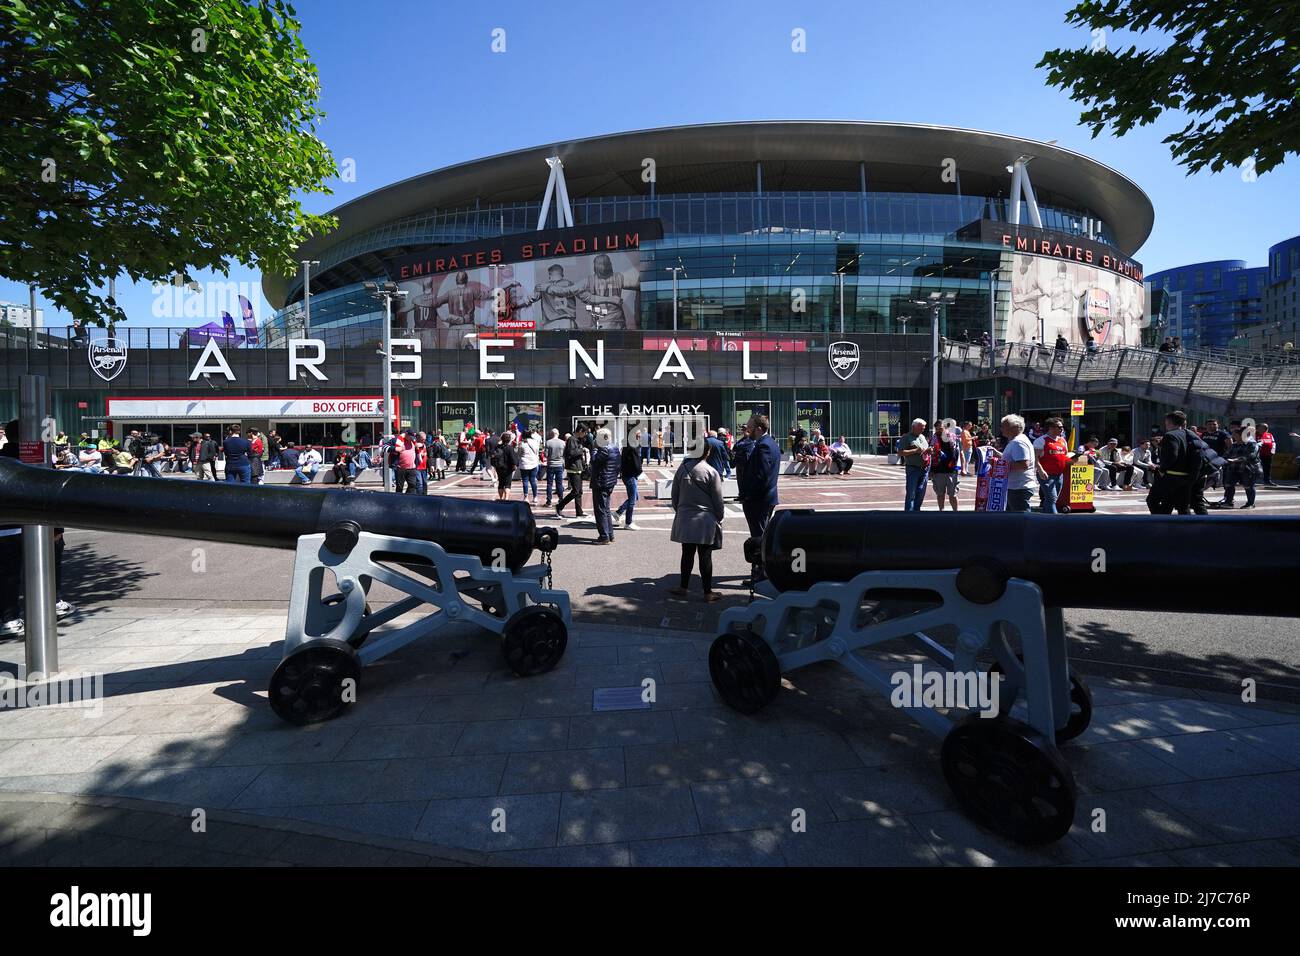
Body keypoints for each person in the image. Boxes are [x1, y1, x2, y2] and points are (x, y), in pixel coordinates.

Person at [669, 443, 725, 602]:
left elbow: (675, 497)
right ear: (707, 452)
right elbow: (718, 500)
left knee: (686, 554)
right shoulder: (711, 472)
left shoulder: (682, 469)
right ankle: (707, 592)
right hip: (705, 519)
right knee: (705, 556)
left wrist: (681, 510)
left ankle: (683, 587)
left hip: (685, 517)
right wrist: (719, 517)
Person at [737, 414, 779, 585]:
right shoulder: (768, 443)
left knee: (759, 537)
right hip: (764, 498)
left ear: (759, 428)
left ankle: (761, 574)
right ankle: (762, 572)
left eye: (750, 428)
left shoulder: (763, 446)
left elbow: (761, 476)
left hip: (759, 500)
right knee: (762, 535)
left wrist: (748, 494)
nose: (748, 431)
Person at [1147, 410, 1198, 515]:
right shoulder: (1189, 434)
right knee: (1181, 506)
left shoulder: (1170, 435)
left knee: (1152, 500)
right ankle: (1186, 528)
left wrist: (1161, 470)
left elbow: (1172, 456)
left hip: (1170, 476)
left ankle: (1162, 523)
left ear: (1169, 422)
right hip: (1186, 476)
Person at [997, 414, 1038, 513]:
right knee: (1013, 518)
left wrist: (998, 464)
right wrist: (998, 455)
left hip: (1018, 487)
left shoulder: (1018, 442)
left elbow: (1023, 464)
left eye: (1004, 426)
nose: (1001, 428)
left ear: (1015, 427)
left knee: (1021, 519)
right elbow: (1015, 459)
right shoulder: (1018, 440)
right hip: (1017, 486)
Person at [1031, 418, 1070, 513]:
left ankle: (1045, 519)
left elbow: (1065, 456)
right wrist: (1040, 470)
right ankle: (1054, 521)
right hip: (1047, 475)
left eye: (1062, 427)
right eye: (1060, 427)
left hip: (1059, 475)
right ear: (1051, 428)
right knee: (1051, 498)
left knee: (1052, 499)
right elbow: (1035, 458)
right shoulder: (1041, 440)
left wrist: (1073, 459)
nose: (1062, 429)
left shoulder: (1062, 440)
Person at [1217, 424, 1260, 509]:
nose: (1233, 437)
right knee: (1228, 484)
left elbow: (1251, 456)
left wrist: (1236, 459)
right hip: (1233, 468)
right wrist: (1219, 460)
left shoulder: (1252, 444)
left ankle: (1250, 503)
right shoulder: (1235, 445)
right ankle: (1228, 502)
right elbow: (1226, 454)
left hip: (1248, 469)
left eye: (1235, 436)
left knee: (1248, 486)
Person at [589, 428, 621, 543]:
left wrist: (593, 449)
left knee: (600, 510)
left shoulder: (603, 449)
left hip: (601, 482)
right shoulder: (615, 447)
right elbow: (618, 466)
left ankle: (604, 536)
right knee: (606, 509)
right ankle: (610, 534)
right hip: (610, 481)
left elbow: (594, 461)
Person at [556, 424, 589, 519]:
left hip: (578, 468)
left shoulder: (577, 440)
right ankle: (559, 506)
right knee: (575, 491)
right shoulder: (571, 439)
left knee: (579, 492)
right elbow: (571, 453)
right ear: (580, 431)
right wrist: (581, 450)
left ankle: (579, 512)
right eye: (585, 432)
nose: (585, 434)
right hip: (573, 468)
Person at [612, 433, 643, 531]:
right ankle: (628, 522)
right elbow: (637, 464)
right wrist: (639, 472)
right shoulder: (633, 448)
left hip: (627, 475)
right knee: (632, 500)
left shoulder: (626, 447)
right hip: (631, 475)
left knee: (635, 497)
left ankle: (618, 512)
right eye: (638, 435)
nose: (640, 437)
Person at [898, 418, 930, 512]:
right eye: (920, 428)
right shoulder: (906, 437)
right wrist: (915, 450)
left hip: (924, 469)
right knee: (911, 493)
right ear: (913, 427)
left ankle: (917, 512)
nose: (922, 430)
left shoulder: (922, 437)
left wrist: (929, 450)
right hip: (913, 469)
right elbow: (900, 452)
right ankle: (909, 514)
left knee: (921, 492)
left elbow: (925, 450)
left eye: (923, 428)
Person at [929, 422, 960, 511]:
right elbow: (931, 454)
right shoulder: (934, 438)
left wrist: (962, 467)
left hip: (951, 470)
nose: (939, 430)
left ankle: (956, 512)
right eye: (937, 429)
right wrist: (931, 470)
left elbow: (958, 452)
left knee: (953, 494)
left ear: (945, 428)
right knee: (940, 494)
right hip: (938, 471)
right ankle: (941, 511)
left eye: (941, 428)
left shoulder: (952, 436)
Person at [493, 431, 519, 502]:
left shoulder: (497, 447)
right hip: (508, 468)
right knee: (507, 483)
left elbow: (493, 456)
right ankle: (506, 498)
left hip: (499, 467)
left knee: (501, 483)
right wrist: (514, 465)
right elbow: (513, 458)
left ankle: (501, 498)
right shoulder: (510, 448)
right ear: (509, 439)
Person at [516, 428, 541, 505]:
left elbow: (519, 454)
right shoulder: (535, 442)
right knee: (533, 480)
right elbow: (537, 452)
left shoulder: (521, 443)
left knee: (525, 481)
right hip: (533, 463)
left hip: (524, 464)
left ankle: (526, 497)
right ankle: (535, 497)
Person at [544, 428, 566, 508]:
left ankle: (549, 501)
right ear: (558, 434)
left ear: (551, 434)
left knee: (549, 484)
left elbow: (546, 455)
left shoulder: (548, 442)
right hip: (559, 464)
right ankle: (561, 499)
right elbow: (564, 454)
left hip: (551, 465)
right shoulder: (563, 443)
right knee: (559, 483)